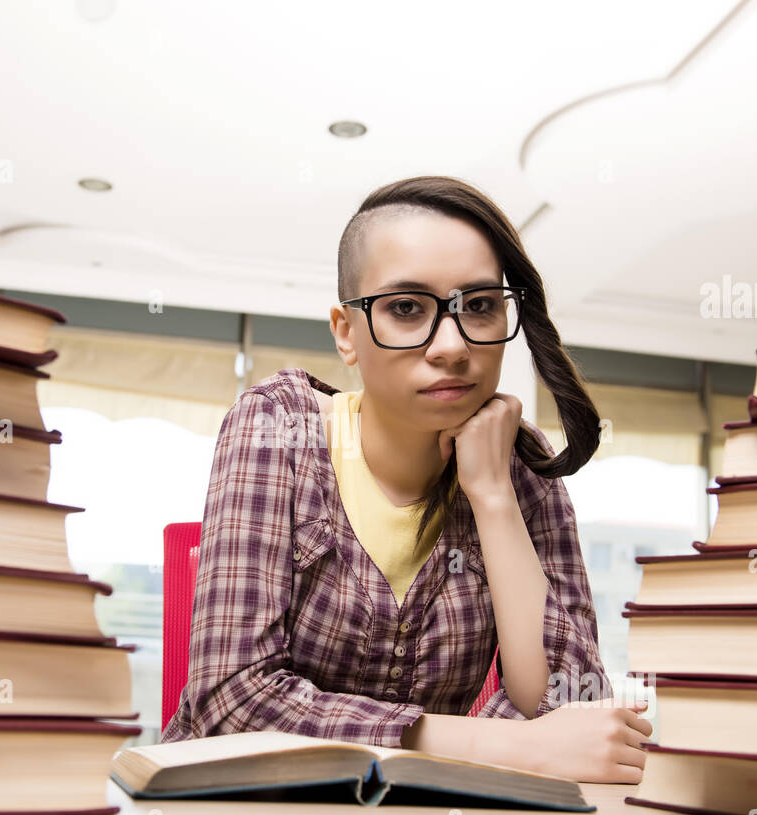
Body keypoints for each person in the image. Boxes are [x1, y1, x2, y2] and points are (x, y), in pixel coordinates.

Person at [160, 175, 651, 783]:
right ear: (346, 332)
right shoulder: (276, 426)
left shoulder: (519, 465)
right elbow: (233, 701)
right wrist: (511, 748)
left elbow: (566, 699)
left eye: (479, 305)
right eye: (406, 308)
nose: (451, 346)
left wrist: (493, 496)